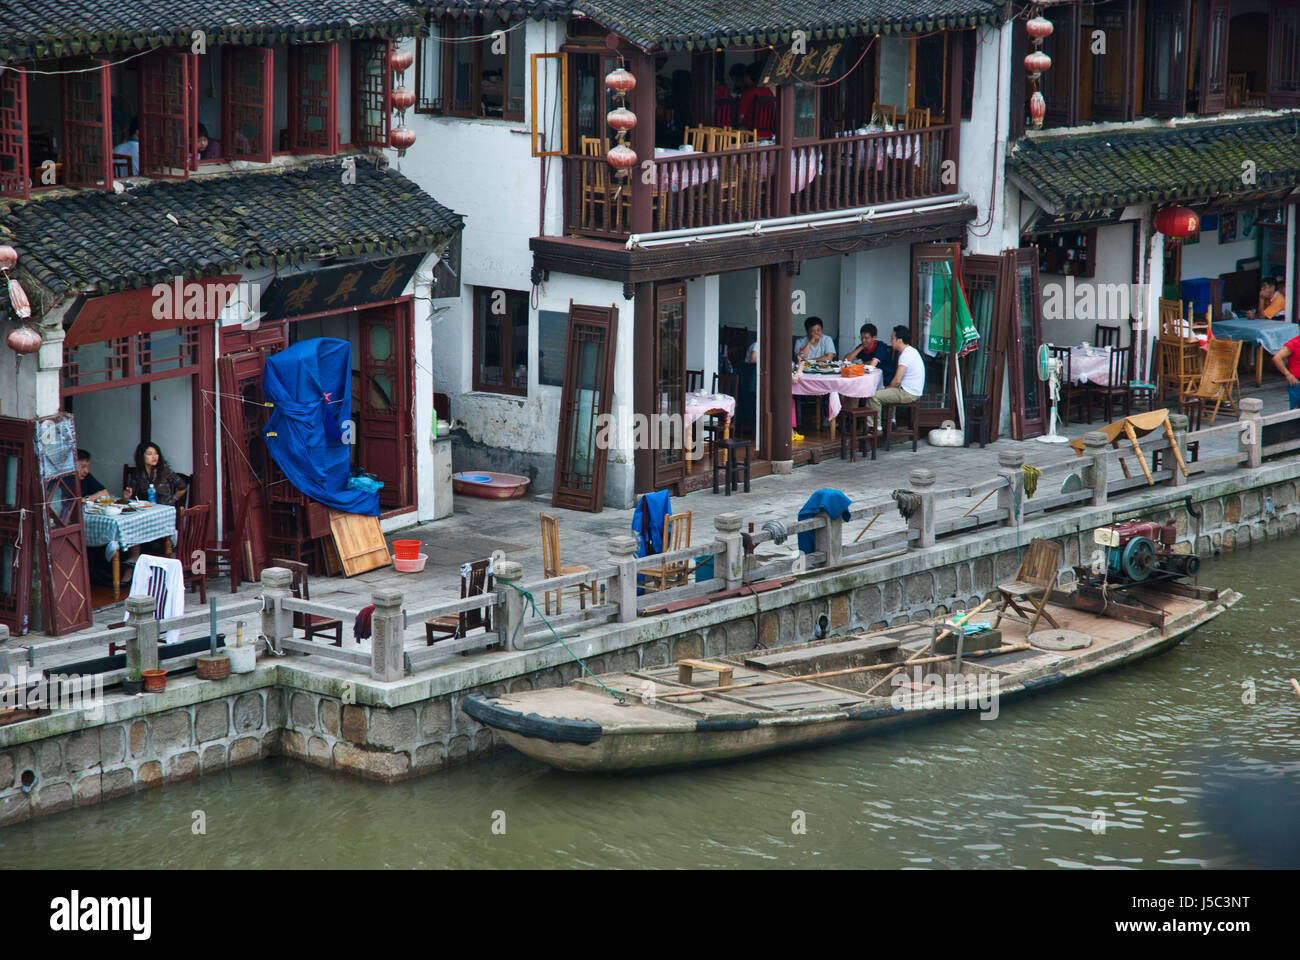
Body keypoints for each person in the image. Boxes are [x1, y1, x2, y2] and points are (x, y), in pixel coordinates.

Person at [867, 325, 926, 429]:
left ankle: (874, 428)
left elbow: (897, 380)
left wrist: (887, 388)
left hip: (908, 393)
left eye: (892, 338)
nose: (891, 341)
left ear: (899, 340)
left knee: (874, 396)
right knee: (887, 392)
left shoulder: (905, 355)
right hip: (913, 390)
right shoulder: (911, 351)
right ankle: (891, 421)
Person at [122, 441, 187, 506]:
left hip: (164, 509)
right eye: (150, 454)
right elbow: (131, 493)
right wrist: (126, 496)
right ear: (141, 456)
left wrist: (172, 500)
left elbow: (182, 487)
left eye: (156, 453)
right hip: (146, 508)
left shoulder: (165, 471)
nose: (154, 456)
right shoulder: (138, 473)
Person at [1273, 332, 1300, 409]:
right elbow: (1277, 358)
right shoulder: (1293, 343)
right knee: (1296, 413)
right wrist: (1287, 374)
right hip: (1297, 382)